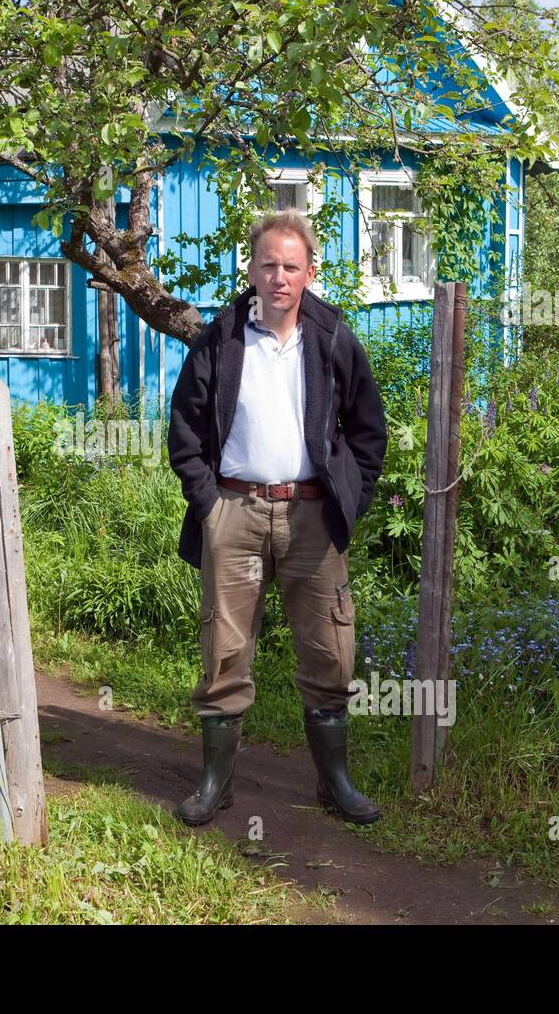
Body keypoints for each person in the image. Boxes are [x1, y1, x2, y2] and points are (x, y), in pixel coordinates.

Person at [166, 208, 388, 827]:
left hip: (314, 517)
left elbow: (369, 433)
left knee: (330, 650)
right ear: (254, 270)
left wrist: (350, 499)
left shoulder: (334, 337)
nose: (280, 277)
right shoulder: (222, 338)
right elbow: (184, 427)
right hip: (233, 512)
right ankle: (215, 785)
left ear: (309, 271)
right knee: (224, 649)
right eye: (269, 264)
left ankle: (334, 783)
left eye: (291, 266)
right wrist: (208, 502)